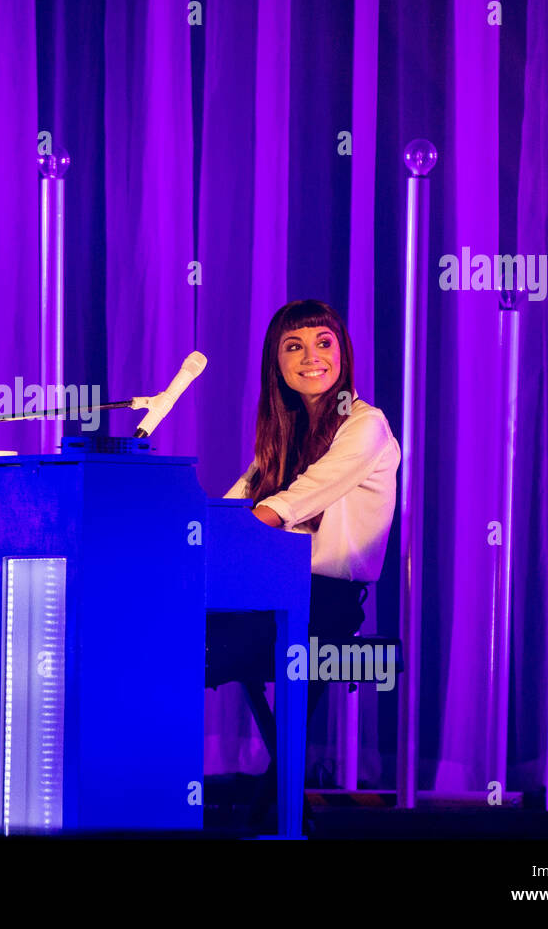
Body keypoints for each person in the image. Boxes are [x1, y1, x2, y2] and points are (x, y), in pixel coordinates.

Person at [207, 298, 401, 823]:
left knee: (191, 646)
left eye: (323, 342)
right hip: (271, 593)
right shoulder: (285, 433)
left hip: (327, 609)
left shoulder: (366, 426)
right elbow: (234, 506)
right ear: (277, 360)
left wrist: (219, 534)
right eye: (294, 345)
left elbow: (293, 501)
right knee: (170, 632)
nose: (310, 356)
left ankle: (269, 814)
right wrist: (185, 534)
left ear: (343, 353)